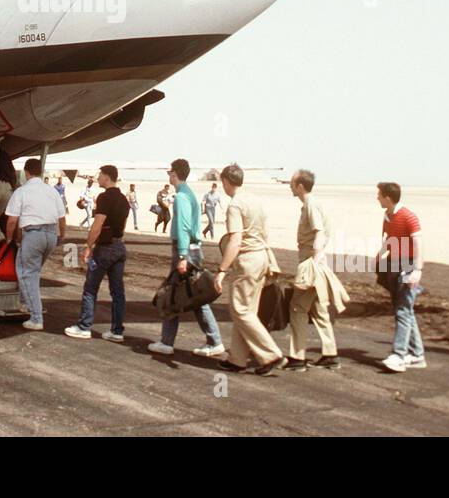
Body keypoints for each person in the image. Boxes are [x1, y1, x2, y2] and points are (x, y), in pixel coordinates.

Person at [147, 159, 225, 358]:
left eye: (170, 172)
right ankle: (213, 340)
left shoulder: (181, 197)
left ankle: (168, 342)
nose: (168, 175)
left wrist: (182, 255)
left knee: (173, 293)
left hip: (186, 251)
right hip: (193, 250)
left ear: (175, 174)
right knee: (194, 294)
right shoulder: (188, 193)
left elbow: (182, 227)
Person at [212, 164, 284, 375]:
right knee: (246, 310)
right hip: (262, 257)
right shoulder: (255, 200)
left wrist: (222, 270)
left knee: (241, 310)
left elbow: (235, 240)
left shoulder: (235, 205)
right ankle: (238, 358)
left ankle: (271, 355)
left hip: (247, 260)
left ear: (226, 181)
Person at [285, 169, 346, 371]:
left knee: (297, 307)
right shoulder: (312, 204)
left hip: (311, 262)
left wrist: (314, 260)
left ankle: (297, 358)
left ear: (300, 186)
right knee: (319, 309)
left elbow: (319, 232)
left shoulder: (310, 205)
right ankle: (330, 354)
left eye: (292, 183)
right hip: (317, 261)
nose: (290, 186)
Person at [65, 165, 130, 341]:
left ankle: (84, 326)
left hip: (105, 247)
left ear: (107, 177)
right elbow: (122, 226)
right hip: (119, 246)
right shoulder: (124, 200)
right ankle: (117, 331)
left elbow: (97, 224)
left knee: (90, 288)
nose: (98, 178)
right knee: (117, 291)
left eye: (100, 175)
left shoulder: (104, 197)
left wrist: (88, 246)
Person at [4, 157, 67, 331]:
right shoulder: (52, 191)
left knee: (26, 273)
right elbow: (62, 217)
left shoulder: (22, 191)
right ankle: (25, 302)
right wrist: (61, 236)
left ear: (27, 172)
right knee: (30, 269)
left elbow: (12, 221)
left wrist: (10, 239)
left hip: (34, 234)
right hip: (51, 235)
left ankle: (36, 318)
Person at [375, 182, 426, 373]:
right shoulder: (387, 215)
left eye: (379, 195)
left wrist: (417, 270)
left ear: (388, 197)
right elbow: (387, 239)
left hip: (409, 265)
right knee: (405, 310)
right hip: (395, 265)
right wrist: (379, 256)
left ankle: (399, 354)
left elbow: (418, 243)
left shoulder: (408, 216)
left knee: (403, 310)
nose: (377, 198)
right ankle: (418, 355)